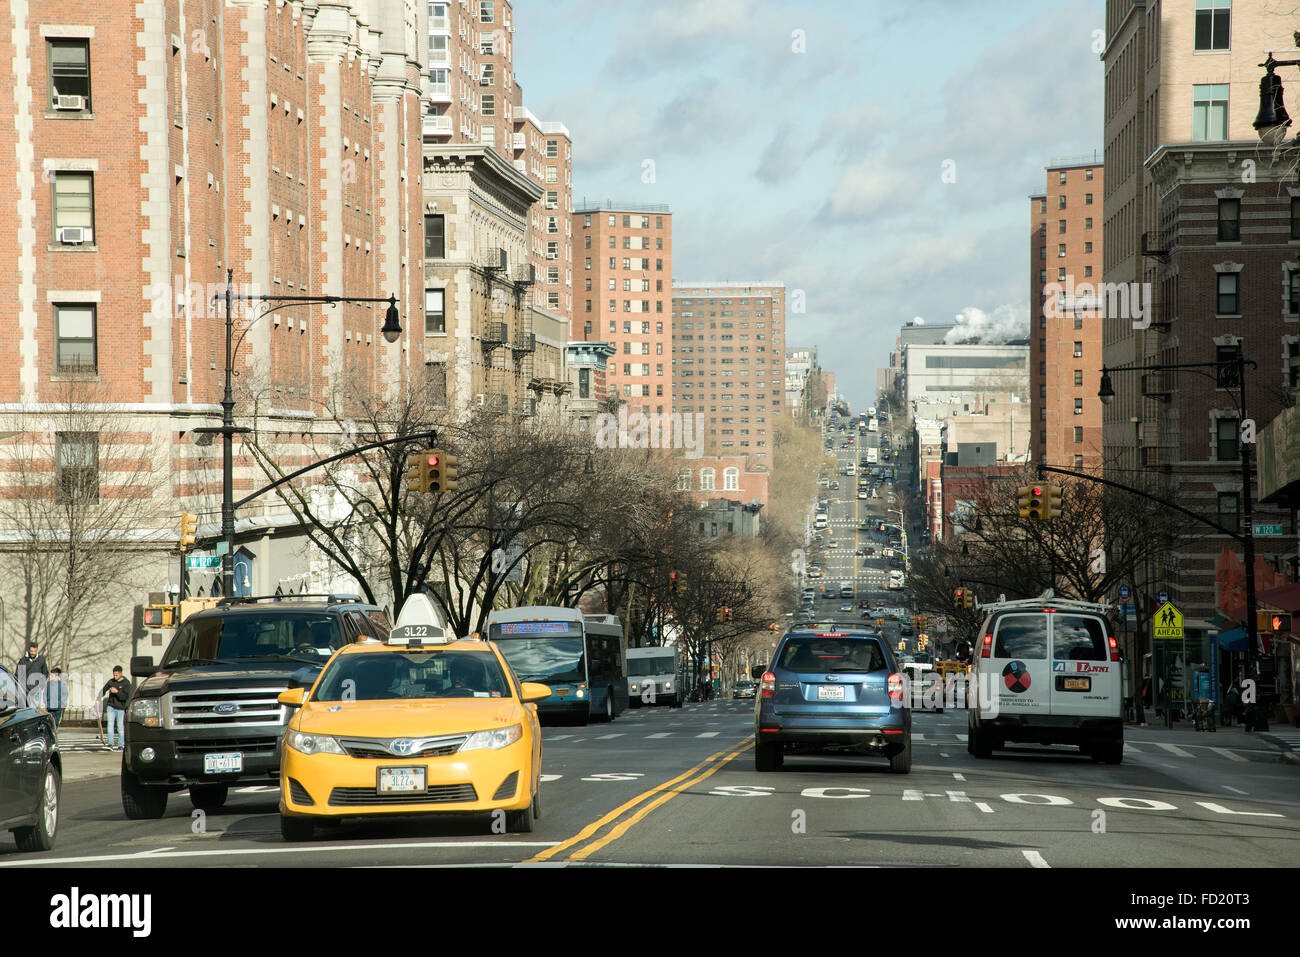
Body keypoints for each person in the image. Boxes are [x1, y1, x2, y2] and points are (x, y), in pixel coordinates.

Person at [99, 666, 132, 751]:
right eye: (114, 675)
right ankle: (110, 743)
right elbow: (103, 690)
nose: (115, 677)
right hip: (111, 706)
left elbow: (125, 697)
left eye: (116, 675)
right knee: (110, 725)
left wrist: (117, 692)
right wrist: (98, 699)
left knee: (120, 727)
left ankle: (121, 744)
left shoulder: (126, 683)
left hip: (120, 708)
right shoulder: (111, 681)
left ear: (121, 673)